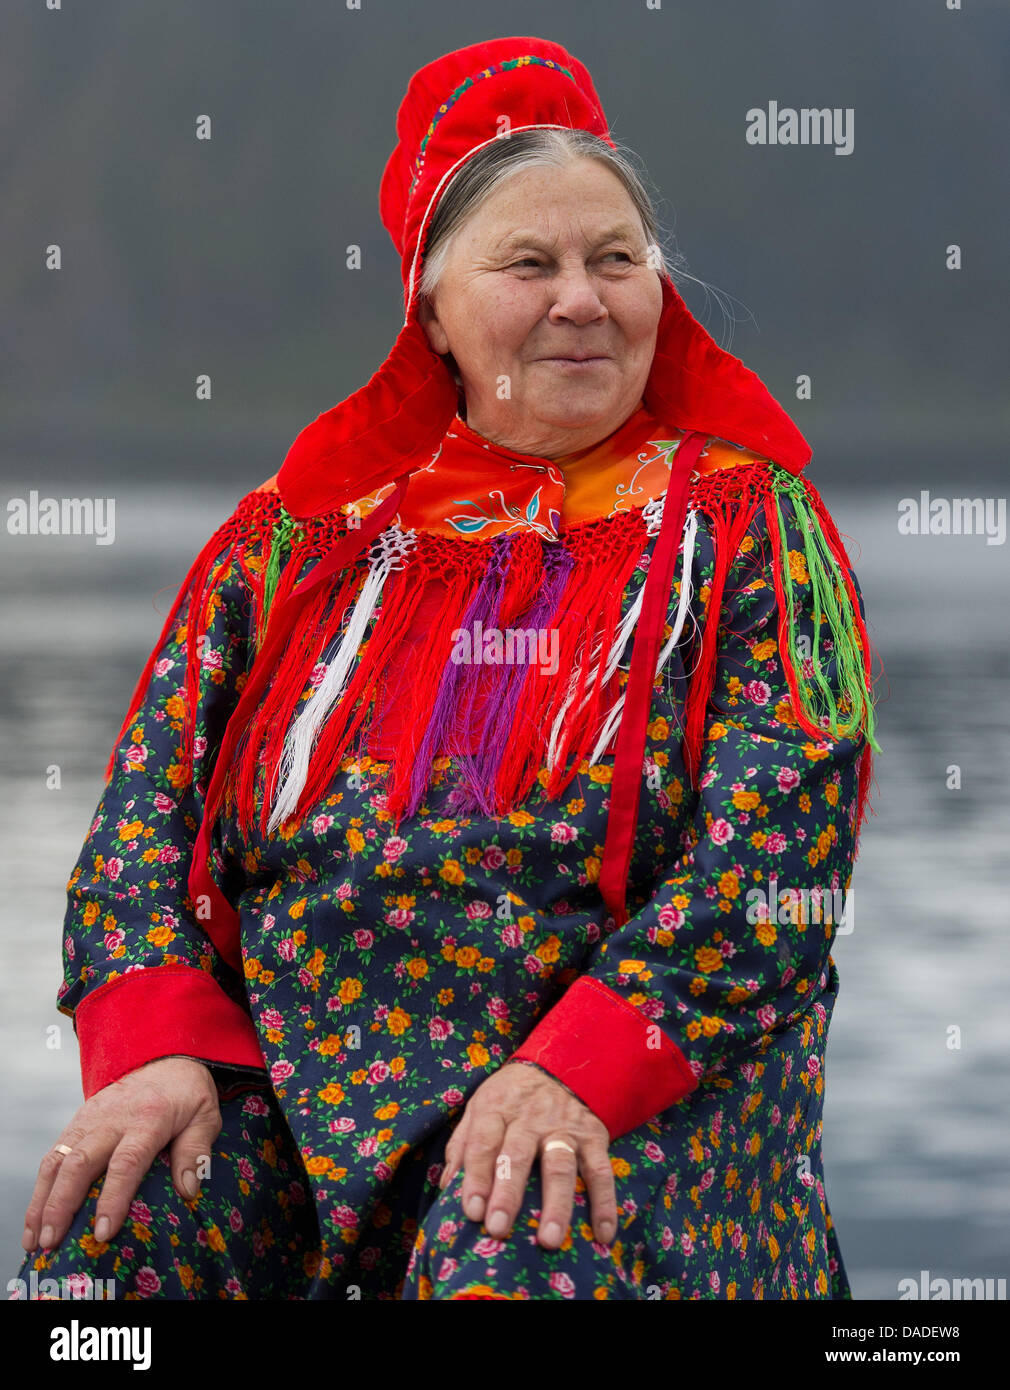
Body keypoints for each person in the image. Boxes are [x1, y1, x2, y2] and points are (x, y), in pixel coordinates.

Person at [12, 35, 877, 1301]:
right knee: (115, 1245)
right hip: (290, 1103)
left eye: (615, 260)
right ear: (429, 305)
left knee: (513, 1231)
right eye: (528, 264)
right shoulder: (298, 542)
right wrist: (155, 1049)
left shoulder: (745, 532)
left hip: (620, 1086)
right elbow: (142, 823)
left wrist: (576, 1065)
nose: (582, 299)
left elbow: (776, 875)